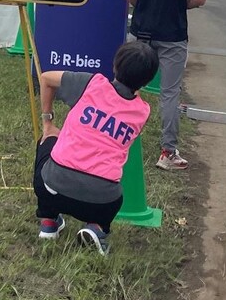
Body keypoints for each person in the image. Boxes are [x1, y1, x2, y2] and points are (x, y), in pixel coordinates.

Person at [34, 41, 160, 256]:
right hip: (101, 201)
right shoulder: (142, 112)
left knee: (46, 141)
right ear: (148, 81)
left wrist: (48, 122)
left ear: (114, 65)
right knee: (115, 192)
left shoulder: (92, 84)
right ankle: (97, 228)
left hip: (53, 187)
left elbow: (46, 78)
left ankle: (49, 221)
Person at [118, 0, 211, 171]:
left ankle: (114, 140)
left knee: (124, 85)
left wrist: (142, 4)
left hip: (141, 32)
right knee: (169, 94)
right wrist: (178, 5)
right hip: (173, 34)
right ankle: (167, 153)